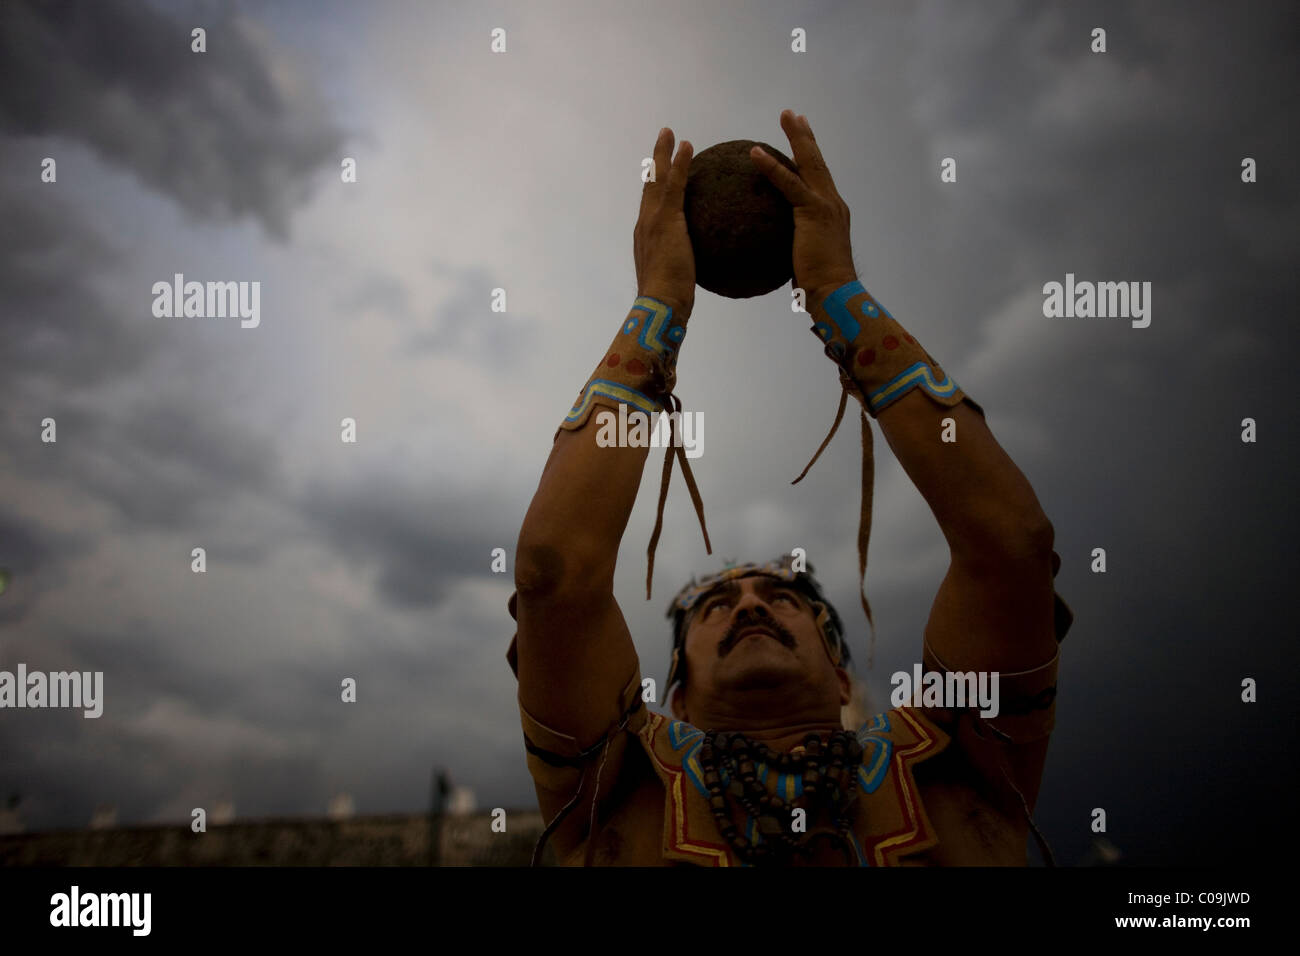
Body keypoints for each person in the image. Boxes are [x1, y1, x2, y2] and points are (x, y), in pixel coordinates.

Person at [506, 109, 1072, 866]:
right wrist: (659, 303)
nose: (748, 603)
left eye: (782, 599)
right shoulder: (618, 793)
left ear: (842, 674)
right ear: (674, 698)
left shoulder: (957, 768)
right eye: (717, 605)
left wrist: (837, 289)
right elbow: (554, 573)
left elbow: (1014, 547)